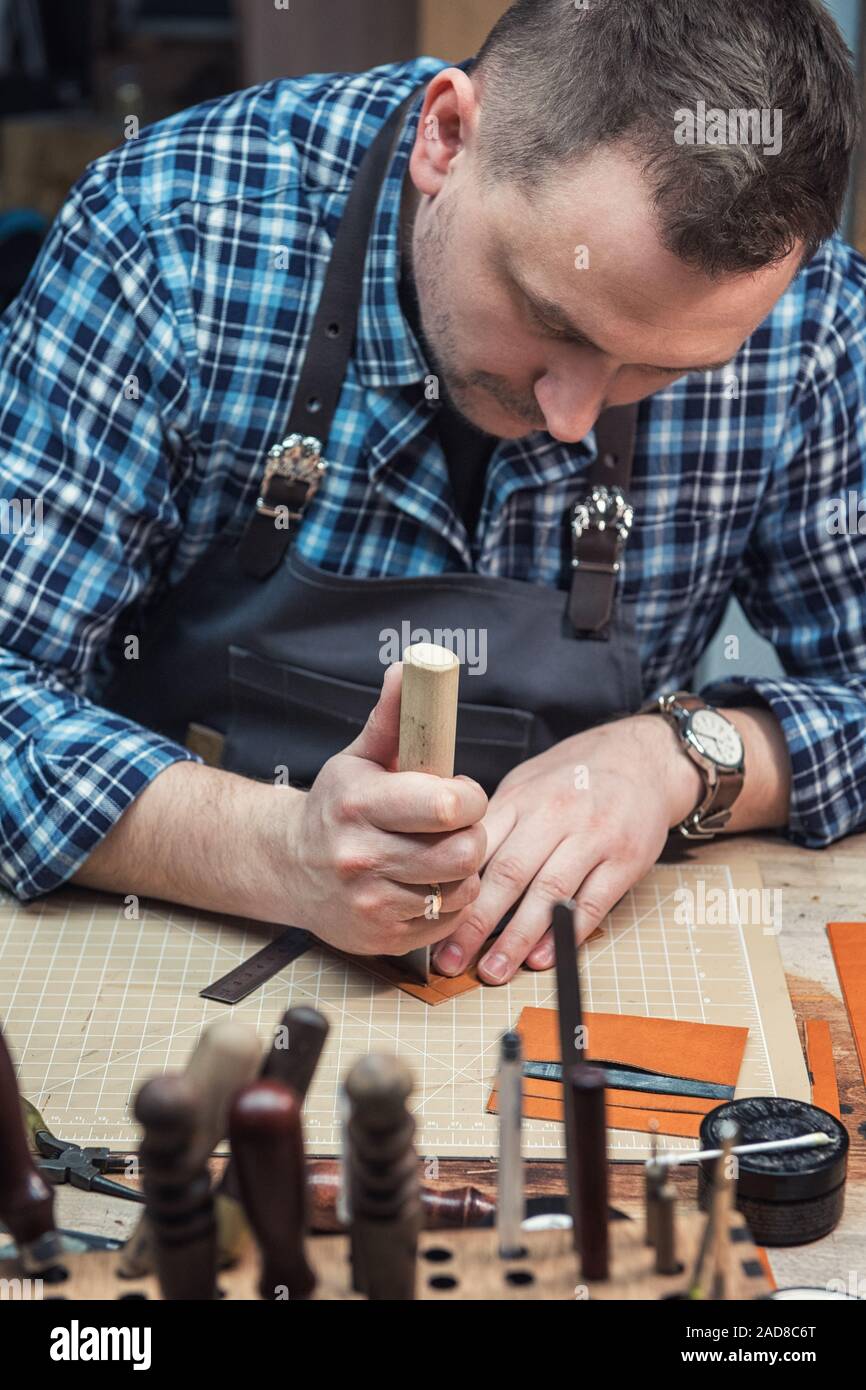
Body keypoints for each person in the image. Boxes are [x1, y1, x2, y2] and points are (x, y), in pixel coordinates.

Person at [0, 0, 863, 987]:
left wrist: (682, 759)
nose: (575, 416)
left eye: (657, 371)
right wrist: (281, 851)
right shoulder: (171, 229)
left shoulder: (811, 325)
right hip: (172, 952)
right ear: (447, 136)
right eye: (555, 320)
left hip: (552, 971)